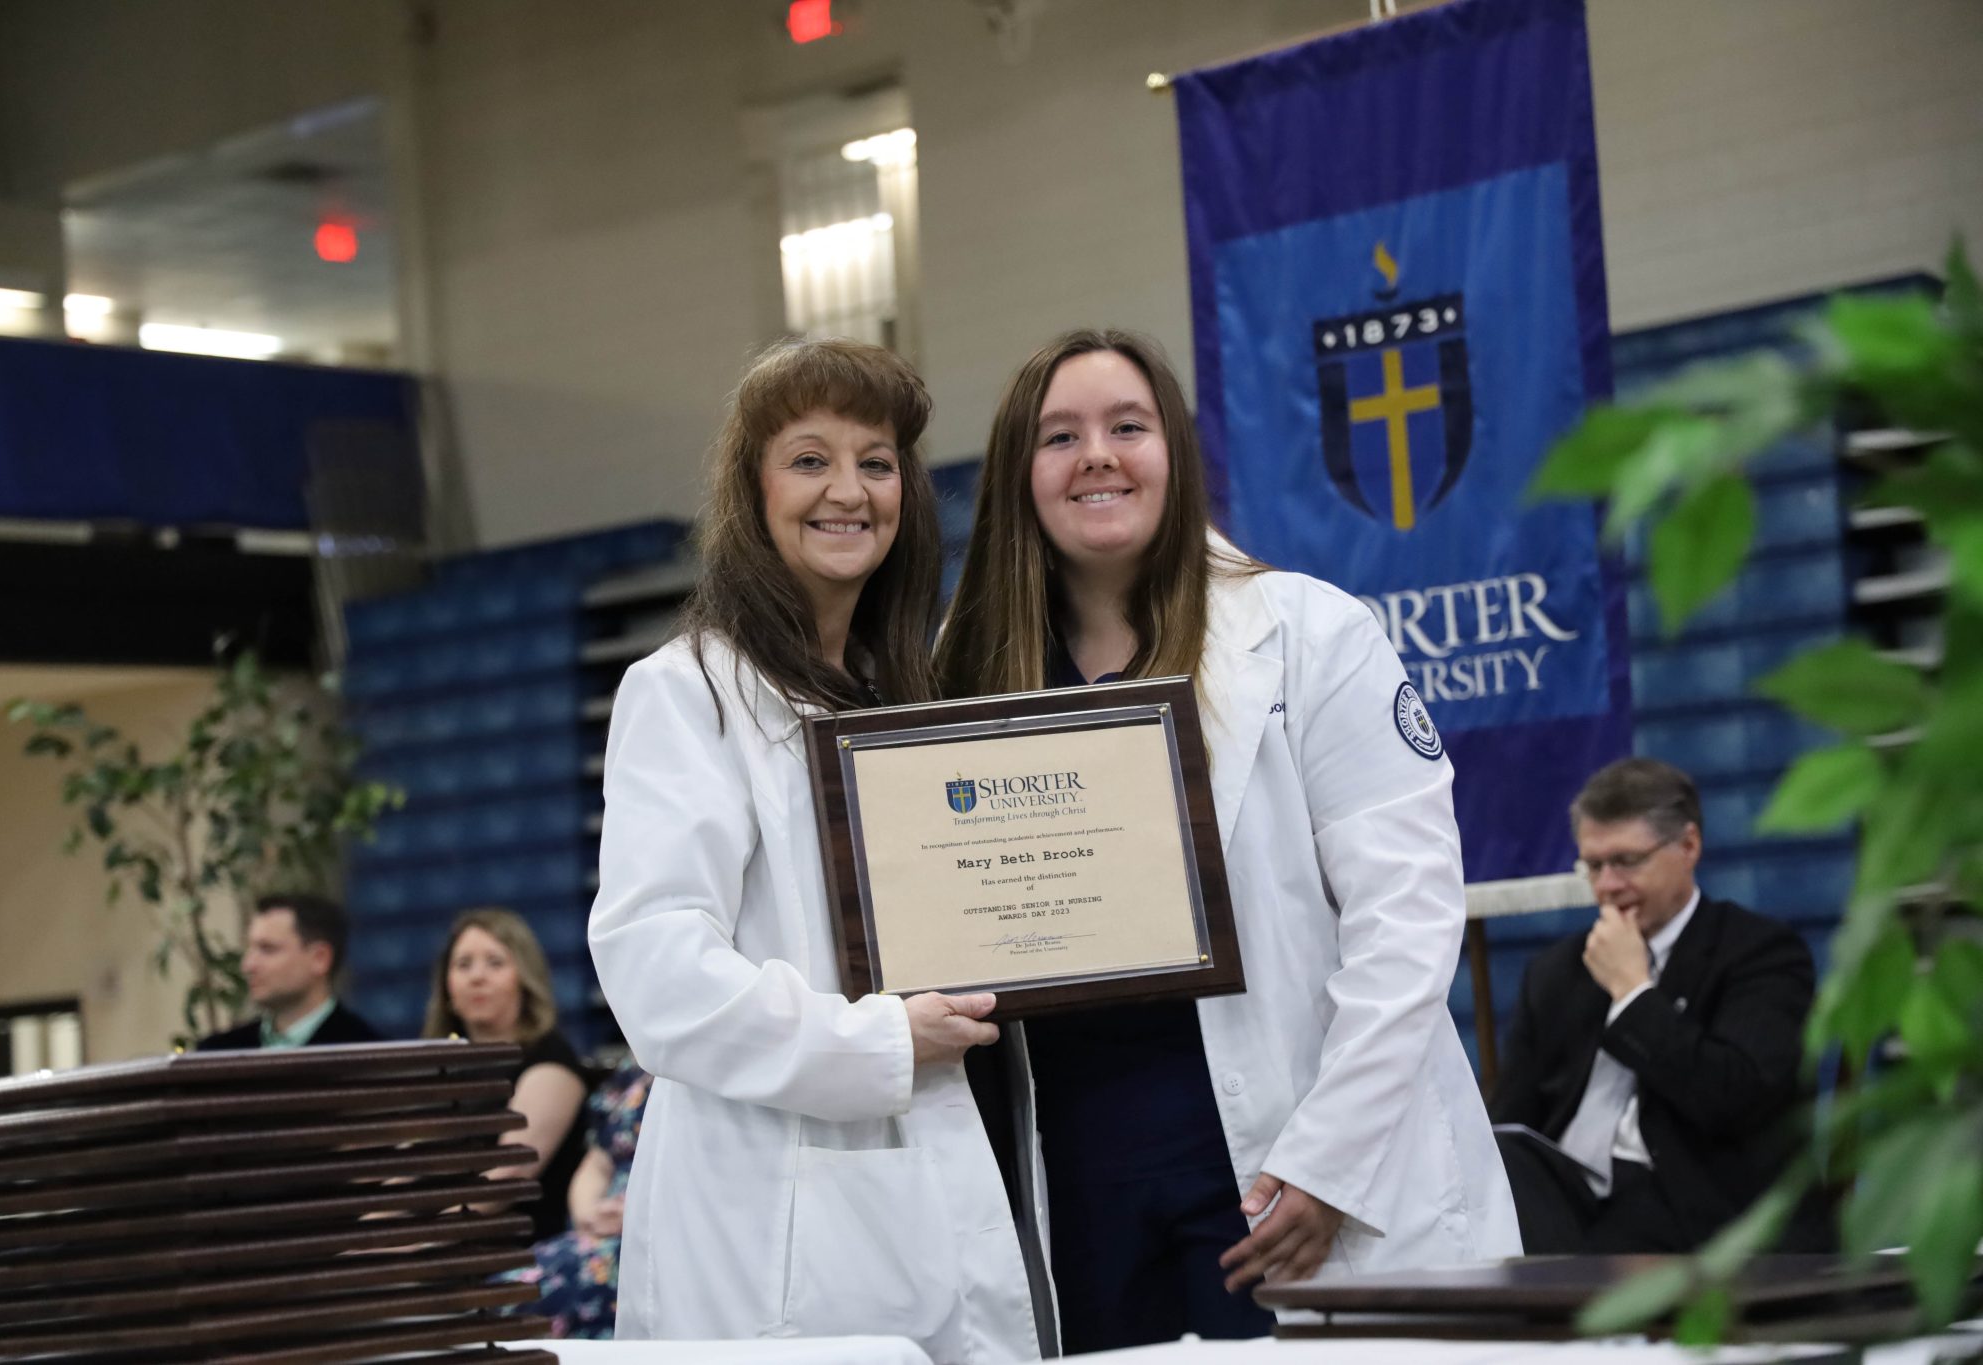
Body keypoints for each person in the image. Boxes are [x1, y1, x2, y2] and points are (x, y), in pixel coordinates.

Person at [934, 328, 1519, 1353]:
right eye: (1058, 436)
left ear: (1177, 454)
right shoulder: (963, 676)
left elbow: (1407, 918)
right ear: (1015, 476)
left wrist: (1331, 1160)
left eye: (1128, 426)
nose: (1097, 456)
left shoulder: (1306, 634)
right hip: (1080, 1185)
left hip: (1275, 1171)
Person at [586, 338, 1036, 1361]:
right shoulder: (686, 691)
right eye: (808, 460)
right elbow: (657, 973)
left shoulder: (909, 701)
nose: (848, 492)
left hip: (926, 1184)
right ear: (753, 490)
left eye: (875, 462)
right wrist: (876, 1043)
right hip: (768, 1215)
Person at [1490, 757, 1817, 1254]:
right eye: (1594, 866)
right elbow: (1511, 1124)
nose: (1607, 886)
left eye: (1626, 861)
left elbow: (1737, 1097)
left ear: (1688, 846)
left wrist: (1633, 993)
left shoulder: (1759, 953)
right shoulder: (1556, 972)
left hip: (1697, 1211)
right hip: (1566, 1209)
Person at [424, 906, 593, 1242]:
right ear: (447, 990)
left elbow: (508, 1178)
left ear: (525, 979)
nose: (477, 977)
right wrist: (366, 1234)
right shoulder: (439, 1064)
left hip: (510, 1251)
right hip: (440, 1244)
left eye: (495, 963)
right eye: (463, 965)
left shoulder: (550, 1059)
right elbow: (404, 1168)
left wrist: (410, 1242)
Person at [497, 1061, 653, 1339]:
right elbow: (596, 1163)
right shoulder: (632, 1075)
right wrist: (588, 1213)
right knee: (501, 1288)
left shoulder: (706, 1077)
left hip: (659, 1238)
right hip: (598, 1230)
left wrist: (637, 1215)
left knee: (523, 1294)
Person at [196, 893, 381, 1050]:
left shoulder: (367, 1053)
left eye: (268, 949)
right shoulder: (217, 1051)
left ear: (320, 959)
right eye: (250, 949)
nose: (248, 965)